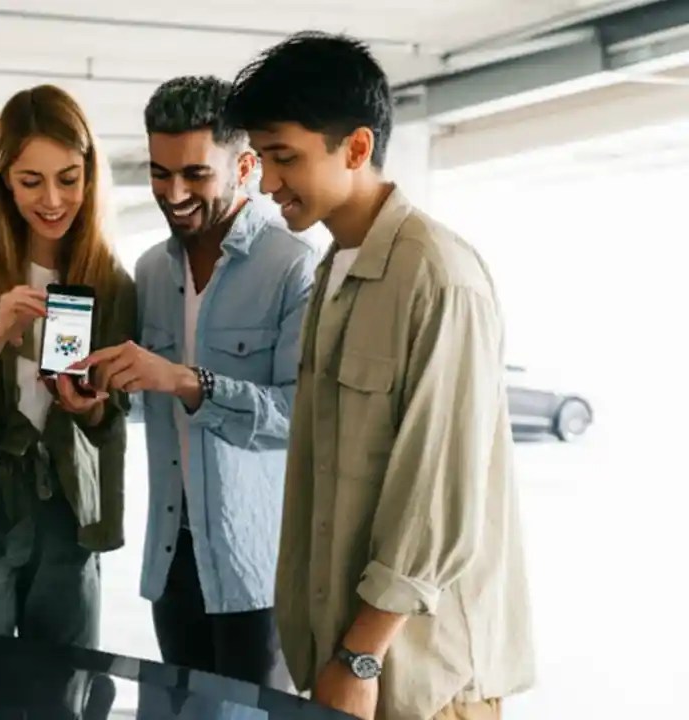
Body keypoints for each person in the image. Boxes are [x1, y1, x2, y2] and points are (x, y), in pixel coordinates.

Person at [222, 32, 535, 720]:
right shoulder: (334, 267)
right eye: (261, 159)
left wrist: (361, 655)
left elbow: (439, 498)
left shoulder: (438, 276)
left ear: (356, 149)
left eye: (285, 158)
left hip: (422, 676)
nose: (268, 182)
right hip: (348, 665)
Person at [76, 76, 317, 688]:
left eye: (194, 175)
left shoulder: (295, 264)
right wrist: (103, 394)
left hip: (256, 568)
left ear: (244, 166)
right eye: (160, 172)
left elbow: (301, 416)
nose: (173, 193)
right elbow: (147, 400)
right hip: (172, 560)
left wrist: (190, 382)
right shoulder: (153, 269)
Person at [0, 84, 135, 652]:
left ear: (89, 176)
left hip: (66, 502)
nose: (53, 200)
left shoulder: (111, 282)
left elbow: (111, 425)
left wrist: (88, 405)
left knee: (65, 690)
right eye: (31, 181)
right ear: (3, 179)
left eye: (68, 178)